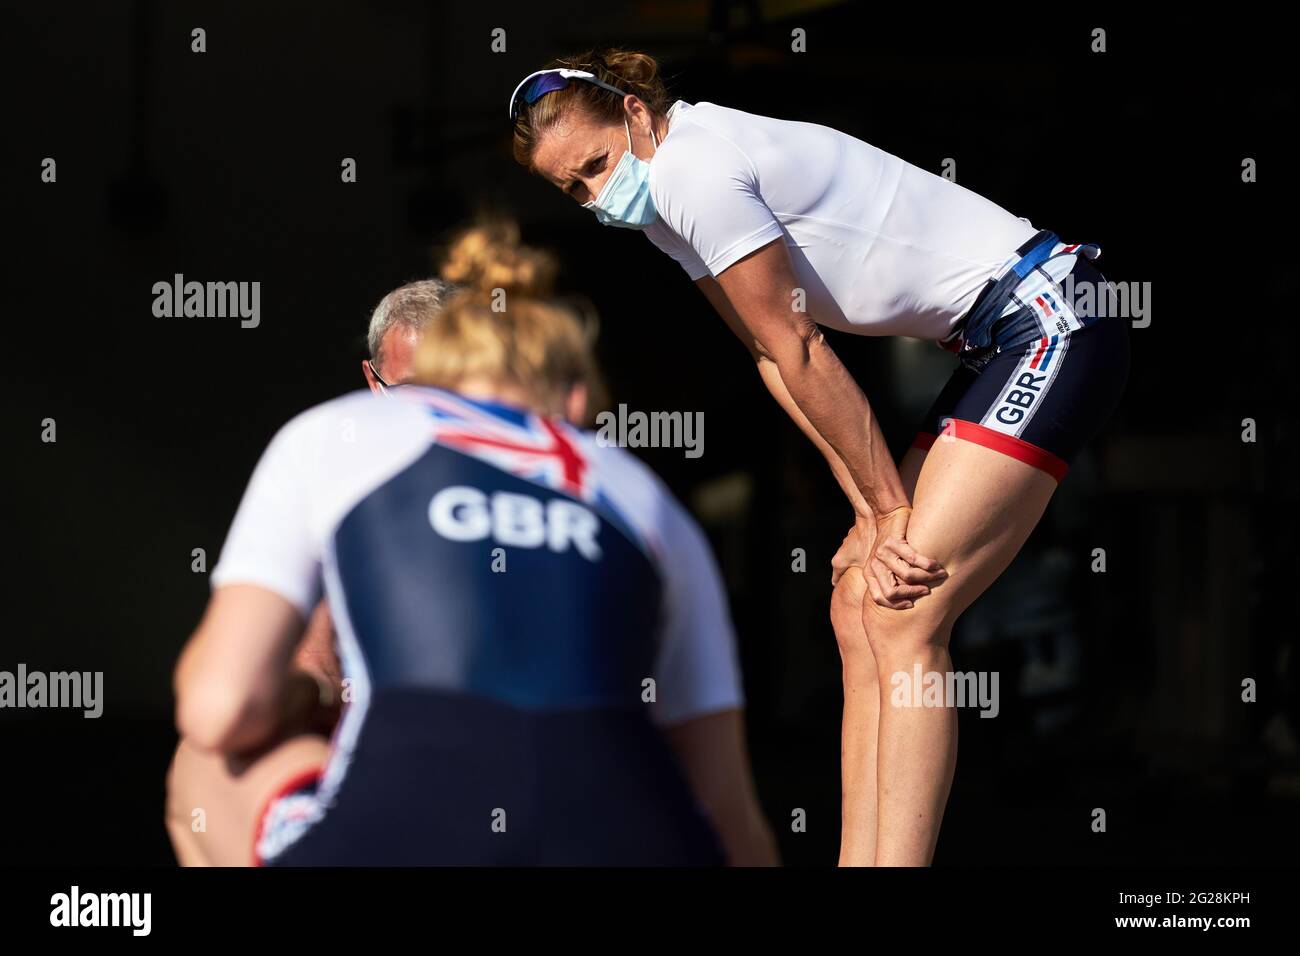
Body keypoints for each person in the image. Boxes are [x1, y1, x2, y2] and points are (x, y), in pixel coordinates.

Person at [508, 50, 1130, 865]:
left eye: (596, 167)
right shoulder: (663, 202)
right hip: (993, 343)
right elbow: (771, 357)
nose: (596, 197)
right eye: (573, 190)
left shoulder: (695, 168)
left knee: (905, 608)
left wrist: (890, 513)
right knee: (856, 601)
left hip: (1051, 317)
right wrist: (871, 513)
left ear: (633, 111)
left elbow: (800, 345)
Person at [168, 222, 777, 866]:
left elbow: (220, 706)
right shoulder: (643, 496)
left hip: (403, 835)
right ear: (573, 398)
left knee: (199, 765)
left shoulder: (336, 438)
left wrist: (305, 703)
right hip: (630, 841)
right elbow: (732, 819)